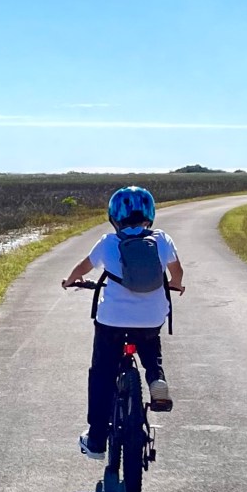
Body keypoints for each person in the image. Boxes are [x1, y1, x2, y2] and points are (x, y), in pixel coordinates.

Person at [61, 186, 185, 460]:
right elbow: (177, 273)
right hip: (151, 318)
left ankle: (95, 440)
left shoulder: (107, 241)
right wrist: (176, 285)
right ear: (150, 214)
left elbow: (83, 268)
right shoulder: (162, 239)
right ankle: (156, 379)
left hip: (112, 322)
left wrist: (70, 281)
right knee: (151, 350)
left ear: (114, 216)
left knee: (102, 373)